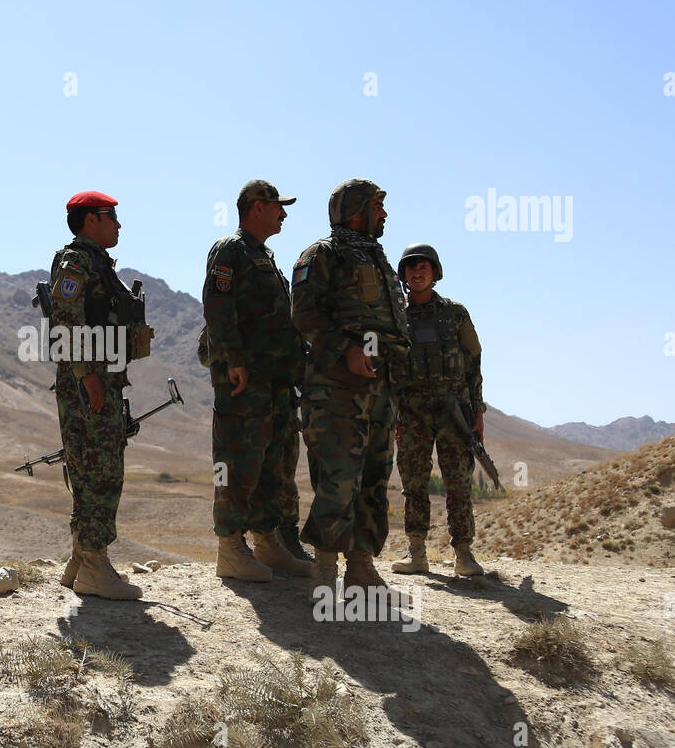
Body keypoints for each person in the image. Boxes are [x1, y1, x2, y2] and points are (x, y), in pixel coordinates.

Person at [290, 179, 410, 600]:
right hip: (336, 388)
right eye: (377, 205)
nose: (384, 213)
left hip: (381, 387)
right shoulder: (321, 255)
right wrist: (347, 350)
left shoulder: (378, 259)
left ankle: (361, 565)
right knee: (339, 475)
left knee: (375, 476)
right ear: (355, 210)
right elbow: (305, 314)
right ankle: (325, 568)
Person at [200, 179, 312, 582]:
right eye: (277, 206)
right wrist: (232, 359)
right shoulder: (231, 250)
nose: (283, 214)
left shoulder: (263, 256)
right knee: (236, 463)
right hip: (244, 381)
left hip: (276, 382)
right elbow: (218, 305)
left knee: (273, 466)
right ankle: (230, 548)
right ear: (256, 207)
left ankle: (267, 544)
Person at [50, 190, 150, 600]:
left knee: (94, 468)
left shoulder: (98, 265)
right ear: (91, 220)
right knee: (100, 473)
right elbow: (65, 318)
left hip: (102, 378)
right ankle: (94, 564)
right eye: (111, 217)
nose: (118, 225)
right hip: (88, 381)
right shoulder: (76, 261)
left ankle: (80, 559)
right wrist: (87, 375)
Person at [390, 243, 486, 577]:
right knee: (413, 484)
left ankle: (464, 553)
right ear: (403, 275)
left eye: (424, 268)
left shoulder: (455, 313)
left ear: (435, 272)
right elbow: (388, 368)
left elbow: (473, 361)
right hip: (412, 412)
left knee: (458, 483)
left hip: (452, 410)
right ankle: (416, 553)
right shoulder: (395, 315)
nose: (417, 274)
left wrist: (477, 411)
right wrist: (395, 415)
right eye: (411, 269)